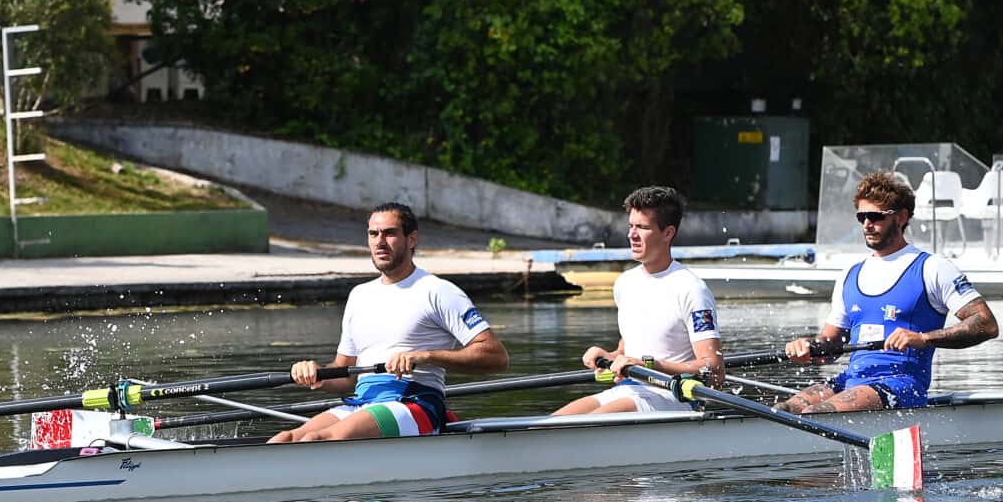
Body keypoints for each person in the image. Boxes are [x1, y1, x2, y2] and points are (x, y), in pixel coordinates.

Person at [268, 202, 508, 442]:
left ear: (411, 239)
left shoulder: (438, 291)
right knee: (285, 439)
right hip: (364, 402)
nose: (379, 241)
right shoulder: (359, 295)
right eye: (373, 234)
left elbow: (496, 356)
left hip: (416, 404)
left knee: (317, 439)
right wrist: (316, 374)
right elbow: (345, 374)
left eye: (389, 233)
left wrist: (425, 356)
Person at [777, 170, 998, 412]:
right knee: (784, 410)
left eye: (875, 216)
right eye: (861, 217)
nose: (867, 224)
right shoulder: (849, 274)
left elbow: (986, 324)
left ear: (902, 217)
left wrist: (923, 339)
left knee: (815, 413)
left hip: (901, 384)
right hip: (850, 380)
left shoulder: (933, 268)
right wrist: (808, 347)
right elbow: (831, 346)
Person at [554, 186, 725, 415]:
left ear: (668, 233)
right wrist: (610, 356)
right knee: (549, 424)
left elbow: (713, 369)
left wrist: (648, 365)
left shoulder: (691, 289)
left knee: (583, 425)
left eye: (642, 227)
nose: (631, 235)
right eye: (631, 226)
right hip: (628, 389)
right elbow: (628, 347)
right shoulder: (625, 283)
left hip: (672, 396)